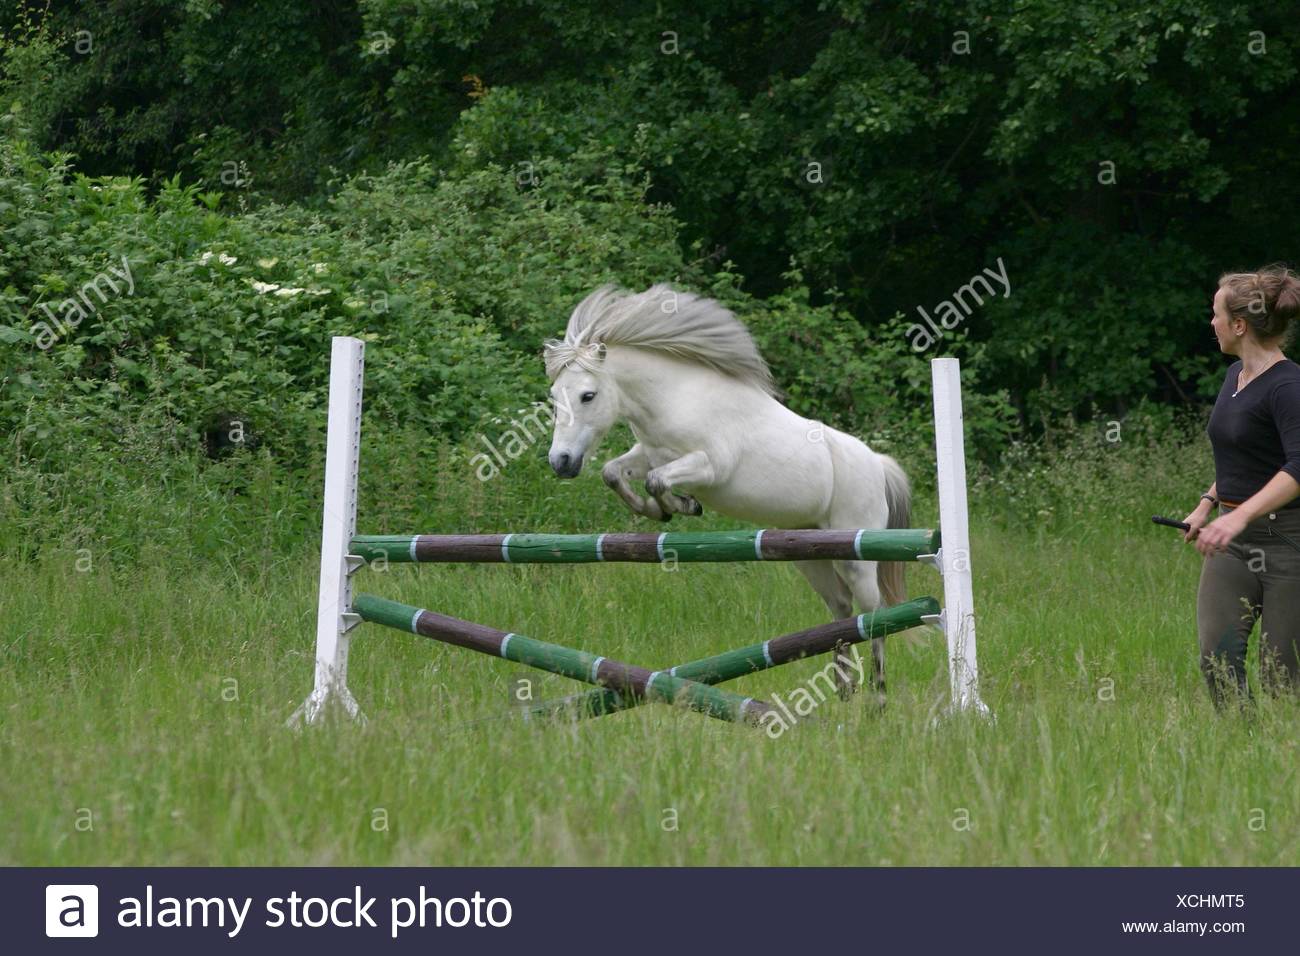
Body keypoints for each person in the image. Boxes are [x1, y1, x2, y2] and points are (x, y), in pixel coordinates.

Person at [1183, 264, 1300, 707]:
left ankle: (1283, 747)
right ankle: (1240, 741)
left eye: (1215, 314)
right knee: (1217, 657)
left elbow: (1297, 466)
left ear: (1238, 325)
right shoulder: (1236, 376)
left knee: (1282, 676)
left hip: (1288, 540)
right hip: (1232, 542)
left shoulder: (1289, 387)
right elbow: (1244, 455)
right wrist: (1207, 505)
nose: (1210, 322)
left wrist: (1240, 516)